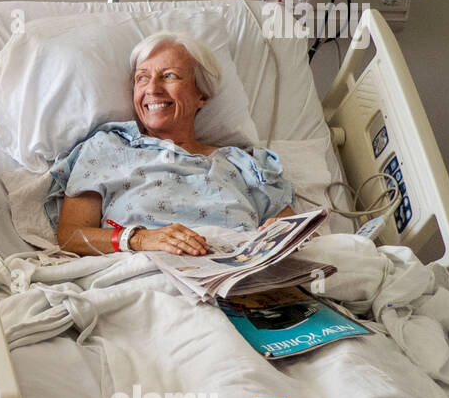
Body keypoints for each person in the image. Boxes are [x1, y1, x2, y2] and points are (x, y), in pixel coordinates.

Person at [49, 31, 295, 257]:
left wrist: (284, 233)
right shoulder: (109, 148)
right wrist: (140, 239)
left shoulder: (244, 164)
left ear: (202, 95)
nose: (152, 89)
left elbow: (303, 231)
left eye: (169, 76)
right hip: (148, 274)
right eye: (142, 78)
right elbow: (71, 236)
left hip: (240, 275)